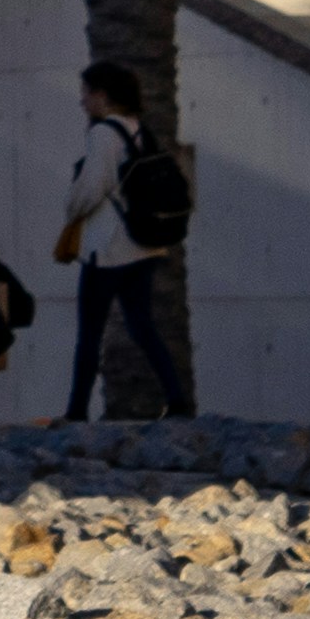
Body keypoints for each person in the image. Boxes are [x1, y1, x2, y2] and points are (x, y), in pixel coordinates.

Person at [52, 57, 198, 419]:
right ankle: (177, 399)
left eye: (86, 93)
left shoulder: (103, 134)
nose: (82, 101)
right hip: (143, 246)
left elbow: (91, 189)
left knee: (89, 333)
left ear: (102, 95)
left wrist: (69, 209)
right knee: (143, 326)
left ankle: (76, 412)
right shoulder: (139, 130)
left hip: (109, 248)